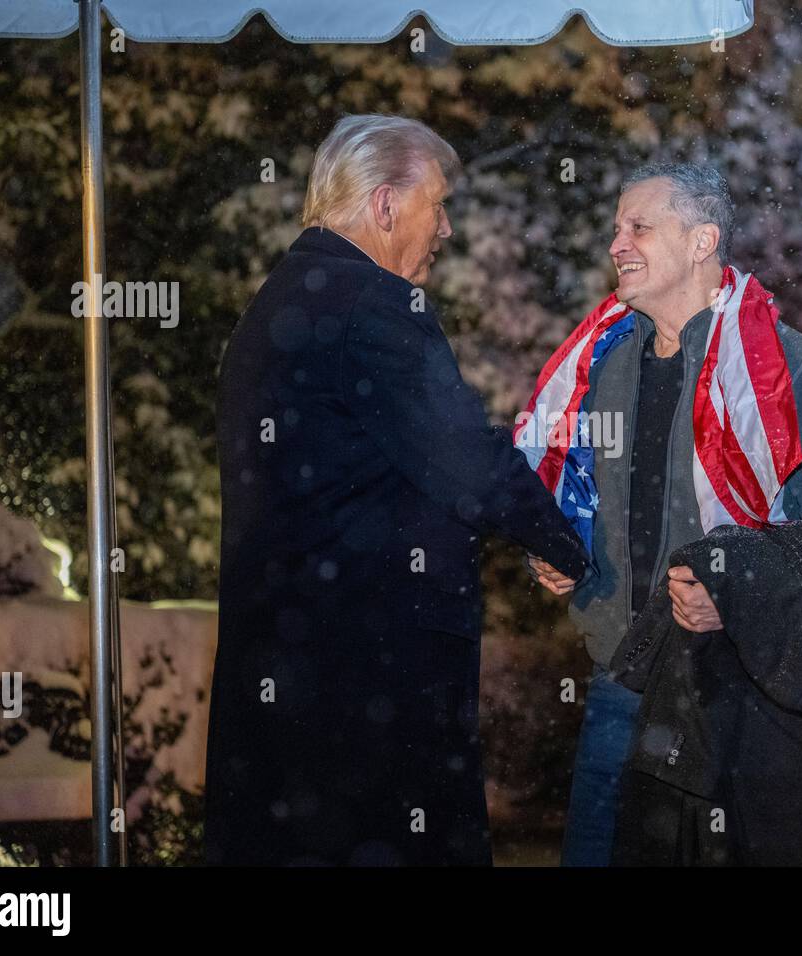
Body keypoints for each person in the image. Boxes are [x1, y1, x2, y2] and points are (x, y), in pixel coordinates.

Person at [205, 115, 587, 865]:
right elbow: (464, 456)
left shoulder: (281, 301)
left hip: (294, 675)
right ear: (384, 206)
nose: (445, 227)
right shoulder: (371, 305)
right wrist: (565, 543)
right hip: (365, 685)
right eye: (436, 204)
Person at [526, 163, 802, 866]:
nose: (616, 244)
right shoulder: (598, 369)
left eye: (639, 226)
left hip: (741, 693)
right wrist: (559, 548)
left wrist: (739, 588)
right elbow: (582, 499)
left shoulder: (791, 372)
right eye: (615, 228)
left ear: (701, 241)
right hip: (620, 686)